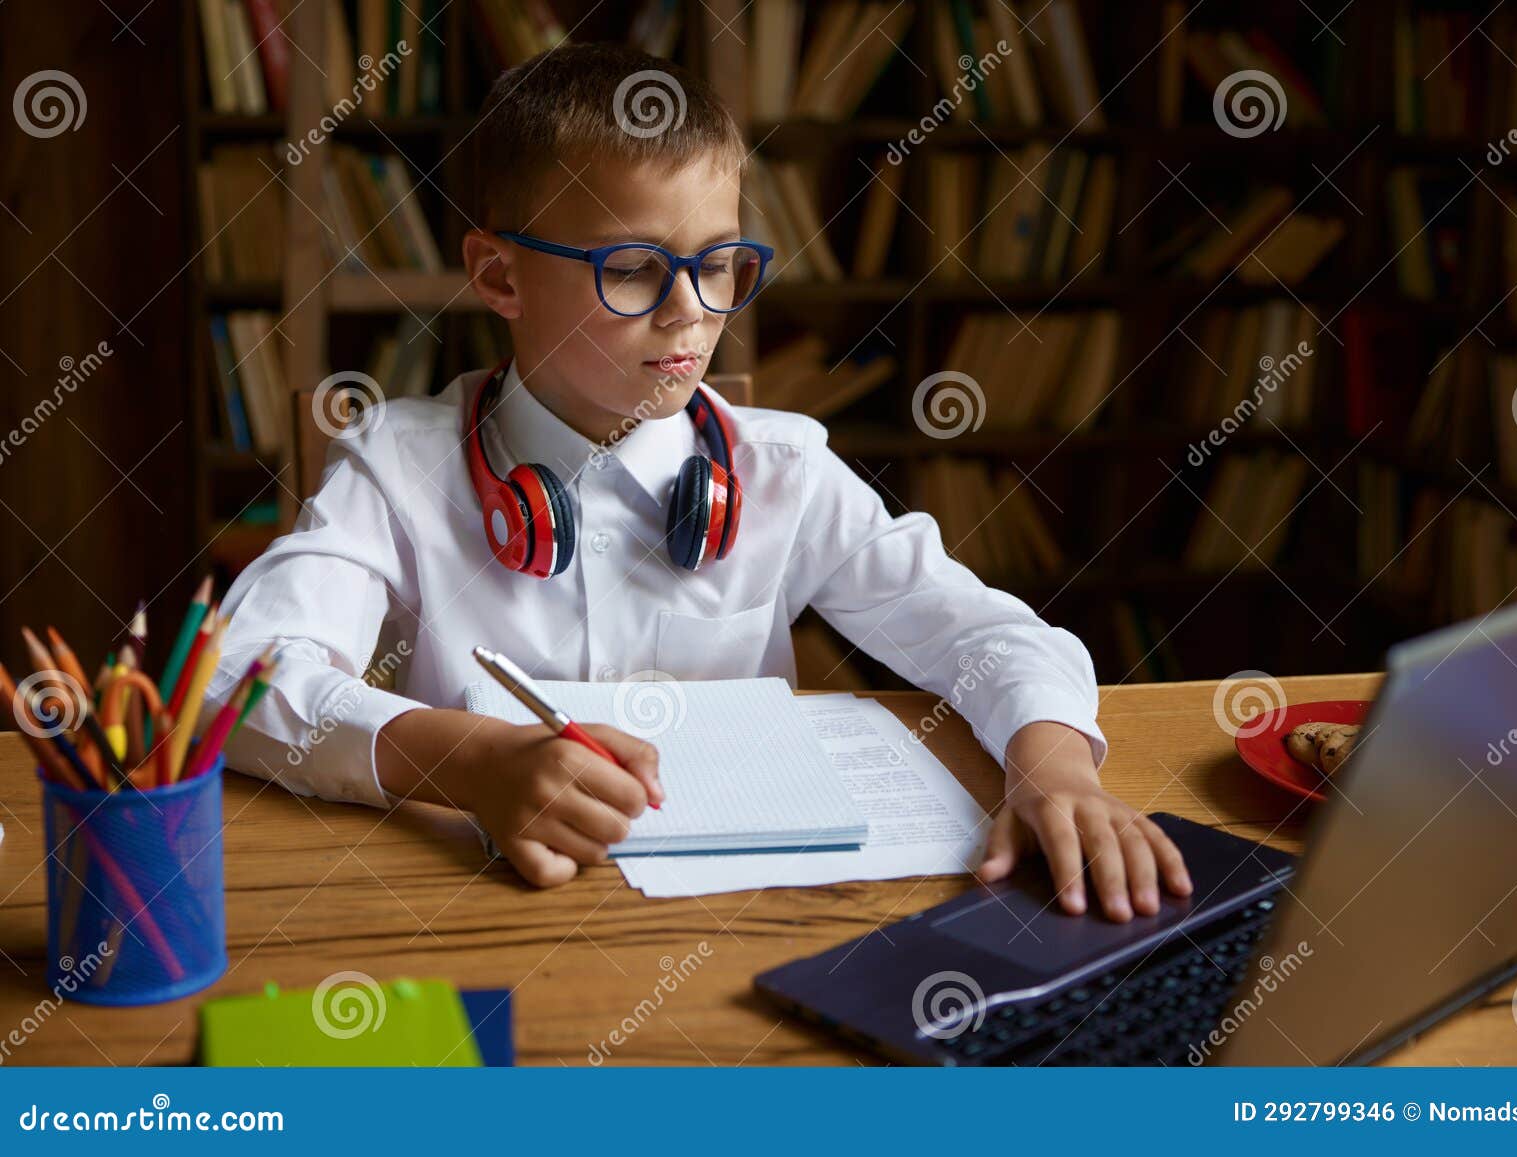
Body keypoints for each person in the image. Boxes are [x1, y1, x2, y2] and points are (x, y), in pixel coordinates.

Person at [208, 43, 1191, 921]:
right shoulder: (397, 467)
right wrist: (470, 759)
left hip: (742, 920)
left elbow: (986, 632)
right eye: (632, 269)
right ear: (500, 277)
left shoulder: (782, 468)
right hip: (484, 908)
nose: (690, 313)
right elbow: (231, 682)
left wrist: (1056, 771)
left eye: (719, 264)